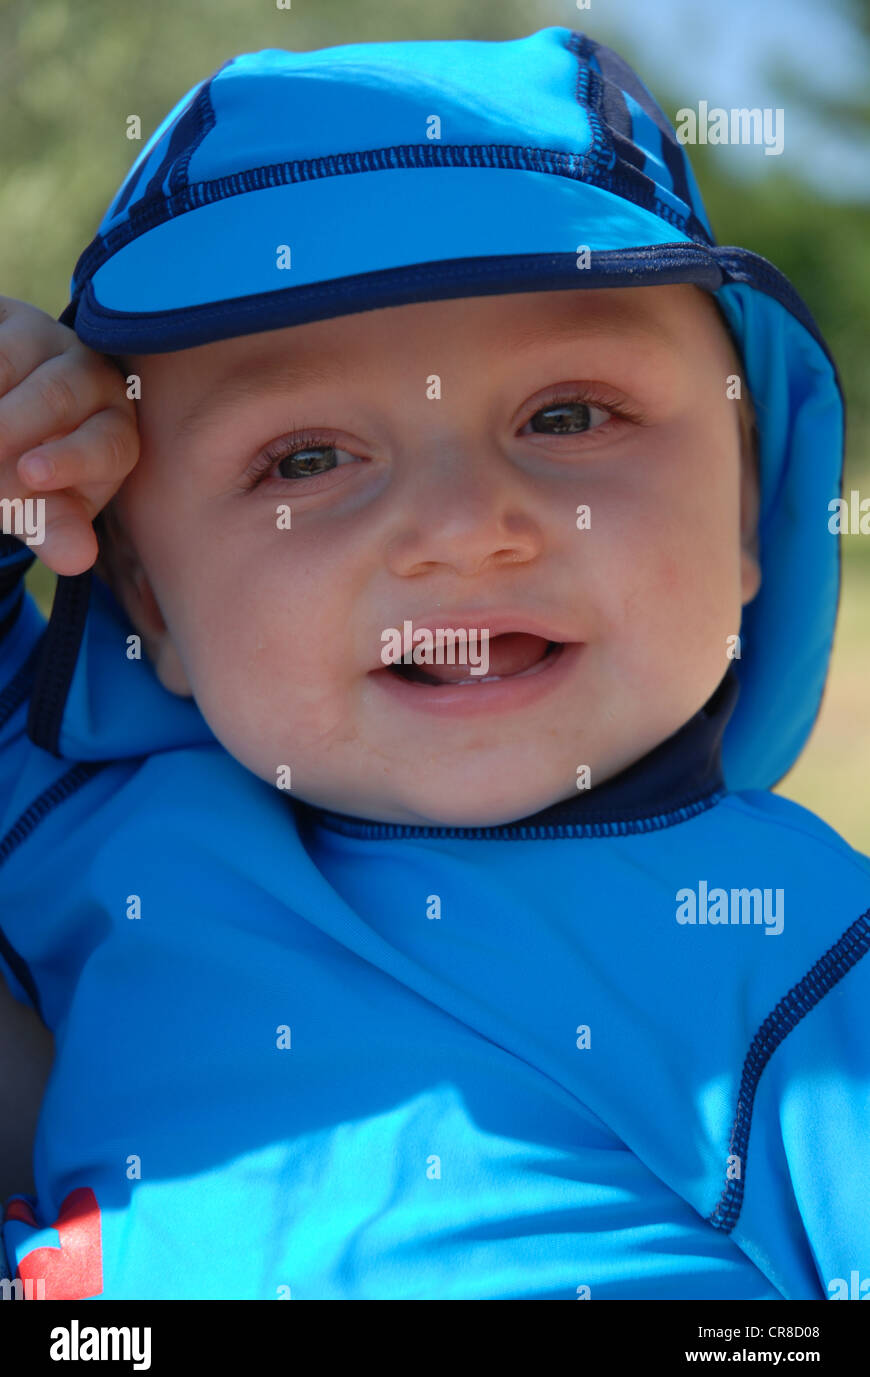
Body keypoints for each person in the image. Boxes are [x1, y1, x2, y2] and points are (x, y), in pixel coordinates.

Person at [0, 26, 867, 1300]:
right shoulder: (110, 836)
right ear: (153, 604)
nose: (466, 528)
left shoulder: (792, 948)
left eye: (568, 416)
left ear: (751, 511)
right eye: (304, 460)